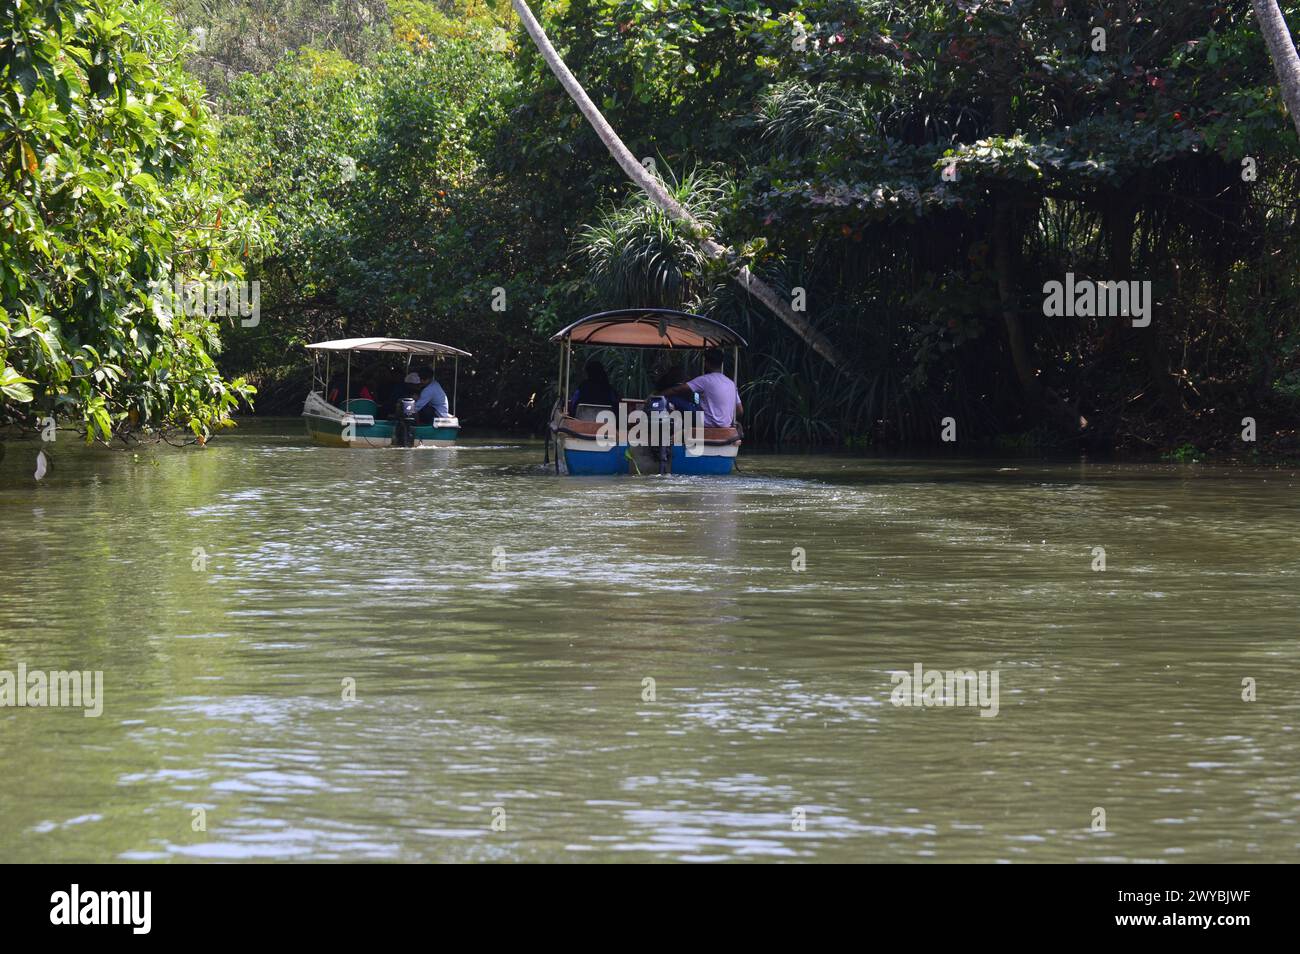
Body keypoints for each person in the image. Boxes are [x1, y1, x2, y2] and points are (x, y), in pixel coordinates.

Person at [658, 348, 741, 428]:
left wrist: (657, 396)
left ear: (707, 363)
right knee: (696, 404)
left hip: (706, 423)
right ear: (721, 363)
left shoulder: (705, 380)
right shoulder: (731, 383)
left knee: (673, 398)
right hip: (725, 425)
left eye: (705, 362)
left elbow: (676, 390)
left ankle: (670, 427)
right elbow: (740, 410)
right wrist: (725, 420)